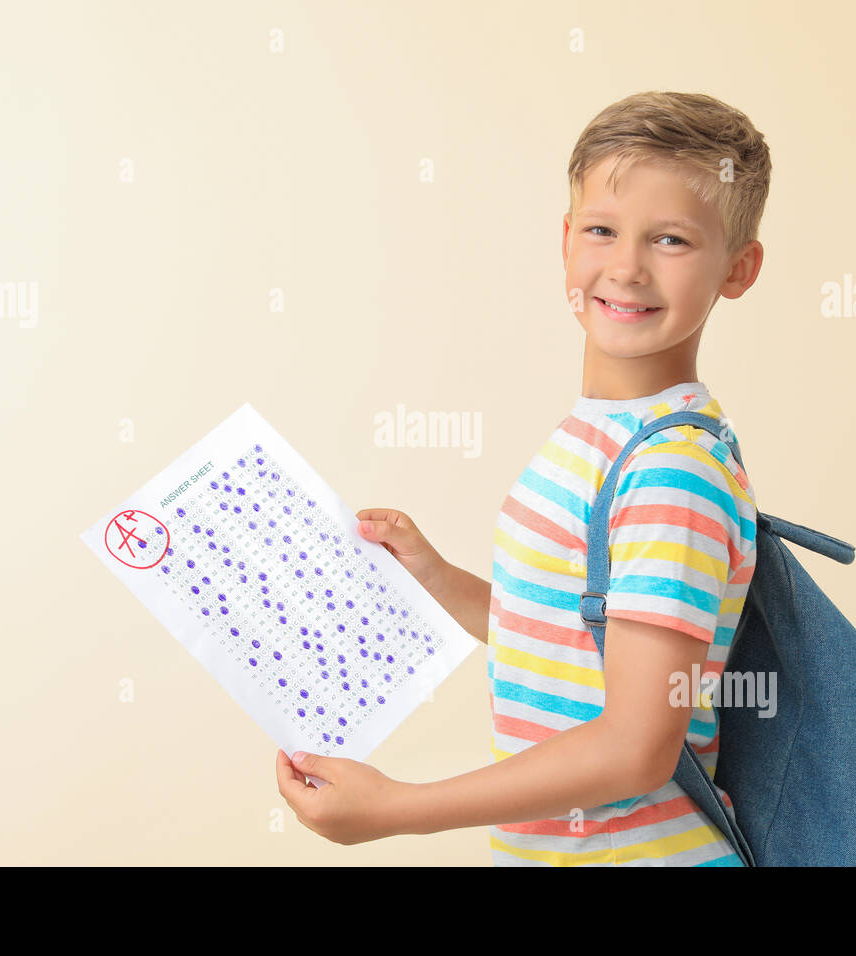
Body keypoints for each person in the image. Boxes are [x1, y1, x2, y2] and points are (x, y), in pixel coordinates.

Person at [276, 90, 769, 865]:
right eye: (602, 230)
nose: (627, 267)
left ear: (738, 269)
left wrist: (401, 809)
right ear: (567, 240)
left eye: (671, 239)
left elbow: (635, 750)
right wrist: (438, 578)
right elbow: (567, 634)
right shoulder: (603, 435)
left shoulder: (671, 470)